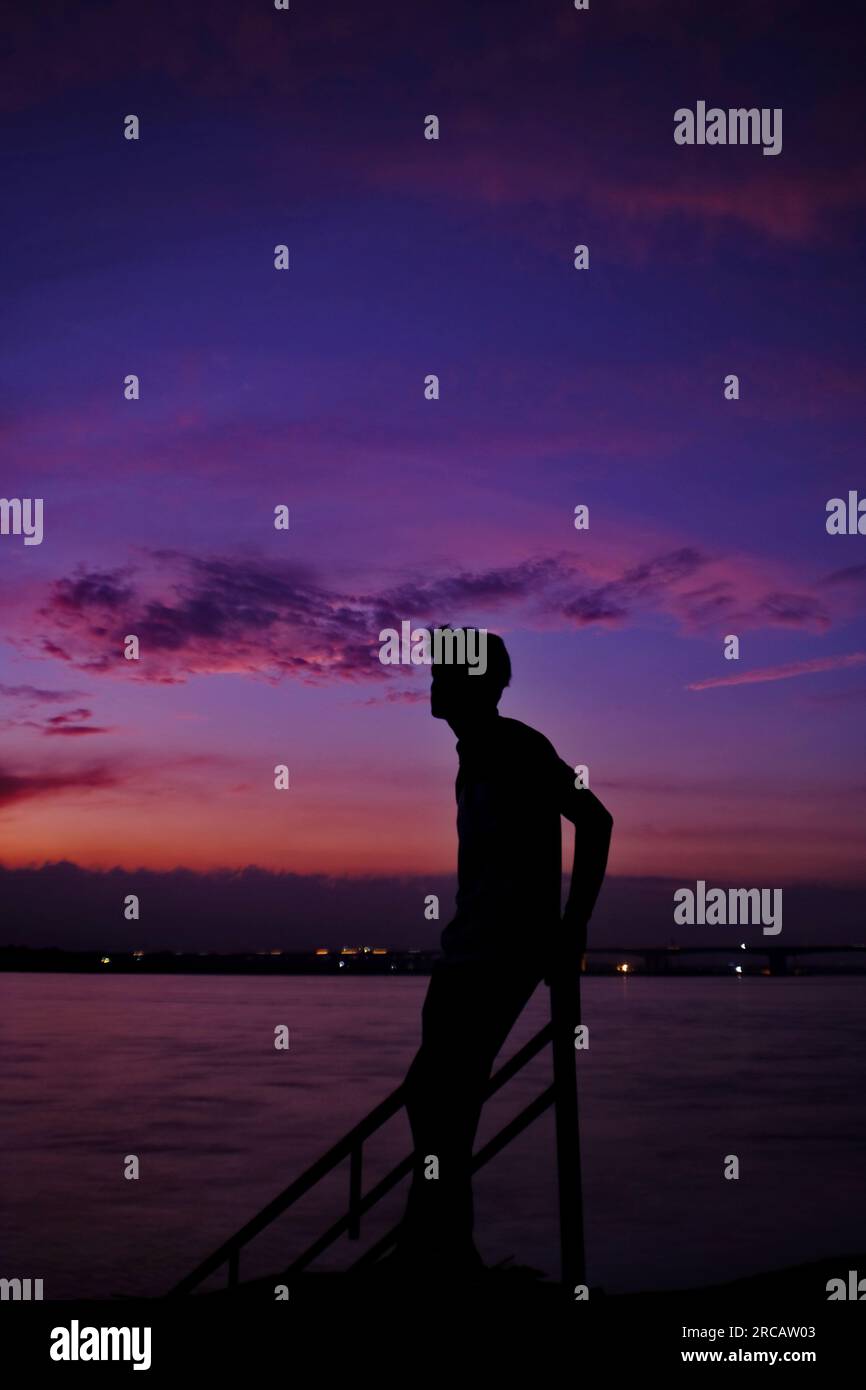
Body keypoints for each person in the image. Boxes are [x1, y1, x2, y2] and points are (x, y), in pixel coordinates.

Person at [392, 627, 613, 1277]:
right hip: (466, 950)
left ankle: (437, 1253)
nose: (432, 682)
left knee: (440, 1098)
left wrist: (572, 927)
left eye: (443, 673)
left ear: (473, 682)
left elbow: (594, 820)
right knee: (434, 1099)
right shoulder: (474, 755)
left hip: (502, 952)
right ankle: (437, 1245)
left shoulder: (518, 746)